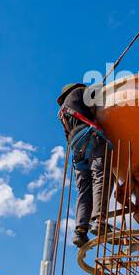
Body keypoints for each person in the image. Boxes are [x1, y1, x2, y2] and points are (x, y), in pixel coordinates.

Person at [57, 82, 108, 248]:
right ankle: (99, 220)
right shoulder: (80, 92)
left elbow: (67, 138)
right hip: (90, 137)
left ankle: (80, 230)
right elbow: (100, 95)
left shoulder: (61, 112)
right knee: (100, 175)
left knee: (84, 188)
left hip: (76, 148)